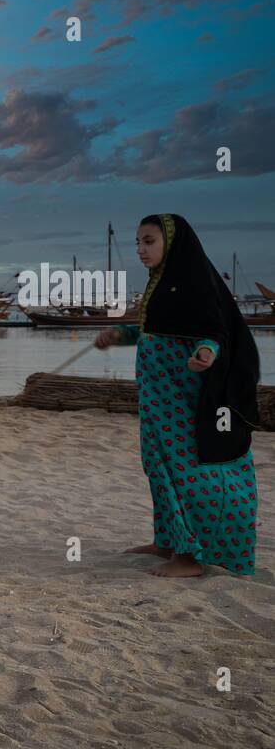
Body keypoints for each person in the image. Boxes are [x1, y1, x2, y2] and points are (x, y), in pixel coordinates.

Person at [95, 213, 260, 577]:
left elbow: (215, 331)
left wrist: (206, 355)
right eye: (137, 242)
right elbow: (153, 331)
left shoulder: (194, 284)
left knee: (184, 472)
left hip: (184, 400)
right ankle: (167, 540)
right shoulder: (162, 284)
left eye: (149, 241)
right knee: (157, 466)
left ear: (173, 242)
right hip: (156, 397)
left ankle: (188, 559)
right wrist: (118, 336)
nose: (140, 249)